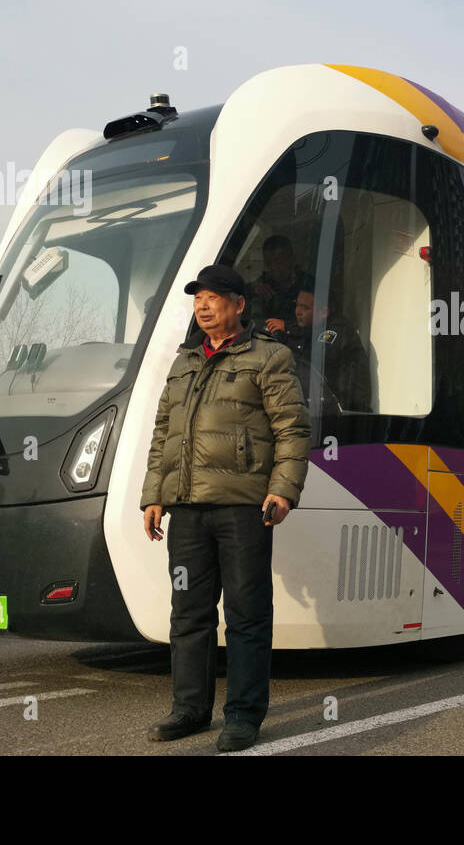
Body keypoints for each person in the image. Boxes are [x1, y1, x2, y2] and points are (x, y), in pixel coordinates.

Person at [141, 263, 311, 752]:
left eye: (214, 297)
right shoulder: (184, 362)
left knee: (246, 614)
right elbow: (163, 435)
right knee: (189, 613)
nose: (204, 304)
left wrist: (283, 488)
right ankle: (190, 710)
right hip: (188, 510)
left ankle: (243, 715)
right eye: (198, 298)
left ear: (239, 304)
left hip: (243, 508)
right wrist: (155, 493)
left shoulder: (270, 358)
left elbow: (293, 429)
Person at [284, 288, 371, 412]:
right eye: (297, 305)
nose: (298, 311)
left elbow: (315, 359)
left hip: (346, 412)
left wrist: (288, 329)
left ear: (323, 313)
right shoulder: (309, 329)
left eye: (305, 308)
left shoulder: (338, 329)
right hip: (321, 409)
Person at [249, 235, 313, 335]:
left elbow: (320, 324)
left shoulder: (309, 285)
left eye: (279, 261)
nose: (274, 267)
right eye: (269, 263)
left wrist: (287, 326)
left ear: (292, 259)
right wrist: (253, 290)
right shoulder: (263, 283)